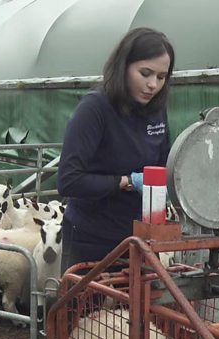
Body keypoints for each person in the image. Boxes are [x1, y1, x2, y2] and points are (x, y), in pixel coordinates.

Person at [57, 27, 175, 271]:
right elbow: (69, 180)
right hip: (91, 238)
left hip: (138, 237)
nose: (153, 84)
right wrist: (125, 181)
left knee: (137, 296)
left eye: (162, 77)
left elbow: (164, 164)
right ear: (124, 66)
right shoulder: (95, 109)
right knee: (90, 297)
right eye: (145, 73)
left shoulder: (156, 111)